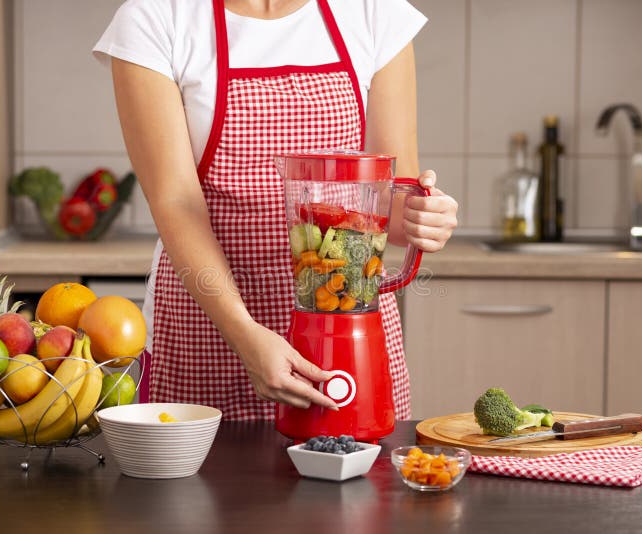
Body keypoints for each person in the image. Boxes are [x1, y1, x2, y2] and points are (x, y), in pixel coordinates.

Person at [93, 0, 458, 421]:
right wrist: (246, 336)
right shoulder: (157, 17)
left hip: (345, 327)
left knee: (361, 483)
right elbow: (175, 202)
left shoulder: (373, 11)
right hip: (210, 326)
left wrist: (423, 218)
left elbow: (392, 199)